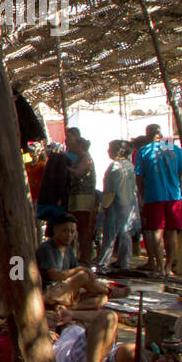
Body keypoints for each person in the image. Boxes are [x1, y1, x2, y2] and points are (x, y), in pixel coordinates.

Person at [135, 124, 182, 277]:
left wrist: (143, 196)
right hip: (173, 196)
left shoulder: (143, 151)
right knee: (171, 232)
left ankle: (159, 266)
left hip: (154, 196)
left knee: (157, 232)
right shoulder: (173, 148)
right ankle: (168, 267)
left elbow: (139, 177)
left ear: (147, 135)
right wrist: (178, 184)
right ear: (161, 134)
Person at [38, 214, 118, 309]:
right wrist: (82, 270)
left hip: (67, 290)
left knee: (102, 299)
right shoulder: (46, 248)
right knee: (83, 276)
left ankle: (71, 308)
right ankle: (109, 291)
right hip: (51, 291)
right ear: (55, 229)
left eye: (72, 232)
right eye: (65, 231)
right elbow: (55, 276)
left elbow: (75, 272)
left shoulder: (68, 249)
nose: (69, 235)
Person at [98, 141, 137, 272]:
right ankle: (124, 262)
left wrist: (105, 205)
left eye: (110, 149)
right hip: (129, 204)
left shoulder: (115, 167)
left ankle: (103, 263)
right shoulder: (130, 166)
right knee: (125, 234)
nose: (108, 151)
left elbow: (110, 189)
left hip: (115, 204)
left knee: (110, 235)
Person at [65, 131, 97, 265]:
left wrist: (64, 167)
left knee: (83, 228)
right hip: (75, 196)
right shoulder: (77, 157)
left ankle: (86, 257)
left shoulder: (85, 158)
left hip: (83, 197)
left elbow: (78, 173)